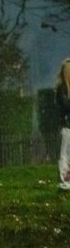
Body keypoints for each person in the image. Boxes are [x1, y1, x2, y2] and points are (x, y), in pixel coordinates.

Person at [55, 58, 70, 190]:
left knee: (64, 154)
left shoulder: (62, 89)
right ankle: (67, 181)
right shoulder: (63, 89)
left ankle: (66, 181)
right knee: (66, 154)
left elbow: (64, 107)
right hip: (68, 125)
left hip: (67, 125)